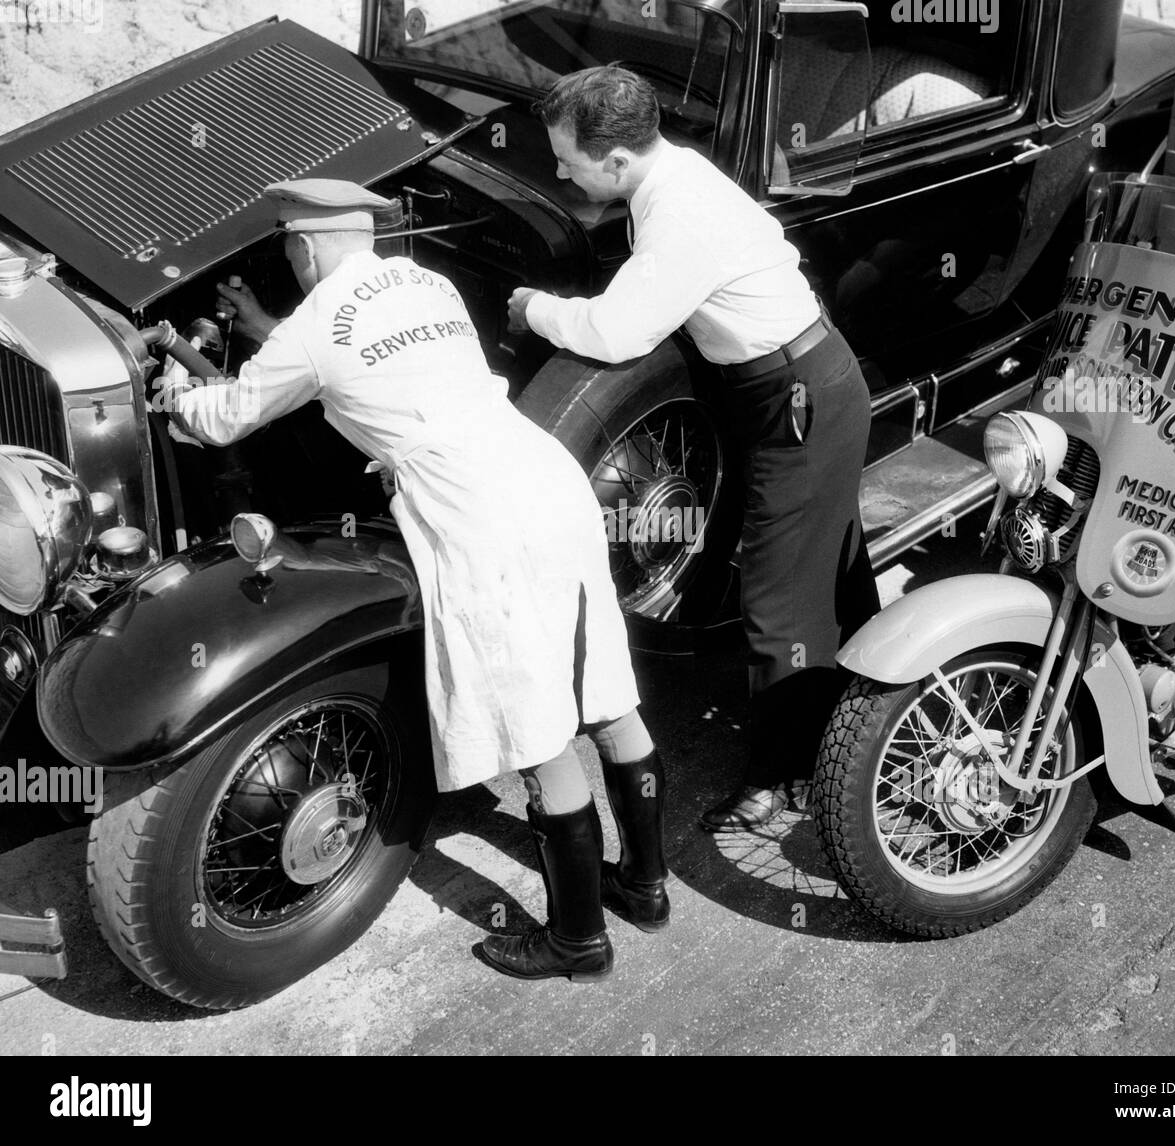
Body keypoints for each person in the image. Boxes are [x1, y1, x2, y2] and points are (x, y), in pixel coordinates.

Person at [162, 177, 670, 982]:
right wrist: (265, 332)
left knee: (535, 725)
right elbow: (363, 358)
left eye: (293, 249)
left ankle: (578, 941)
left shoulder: (318, 321)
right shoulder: (427, 283)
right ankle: (644, 887)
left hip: (476, 514)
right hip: (545, 476)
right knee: (603, 687)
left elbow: (231, 415)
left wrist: (180, 395)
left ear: (305, 246)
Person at [507, 66, 881, 833]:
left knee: (779, 600)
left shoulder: (678, 214)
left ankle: (791, 774)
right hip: (791, 383)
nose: (557, 172)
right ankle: (866, 709)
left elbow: (617, 332)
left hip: (794, 402)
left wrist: (536, 308)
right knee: (826, 563)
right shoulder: (671, 174)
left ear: (616, 162)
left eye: (567, 160)